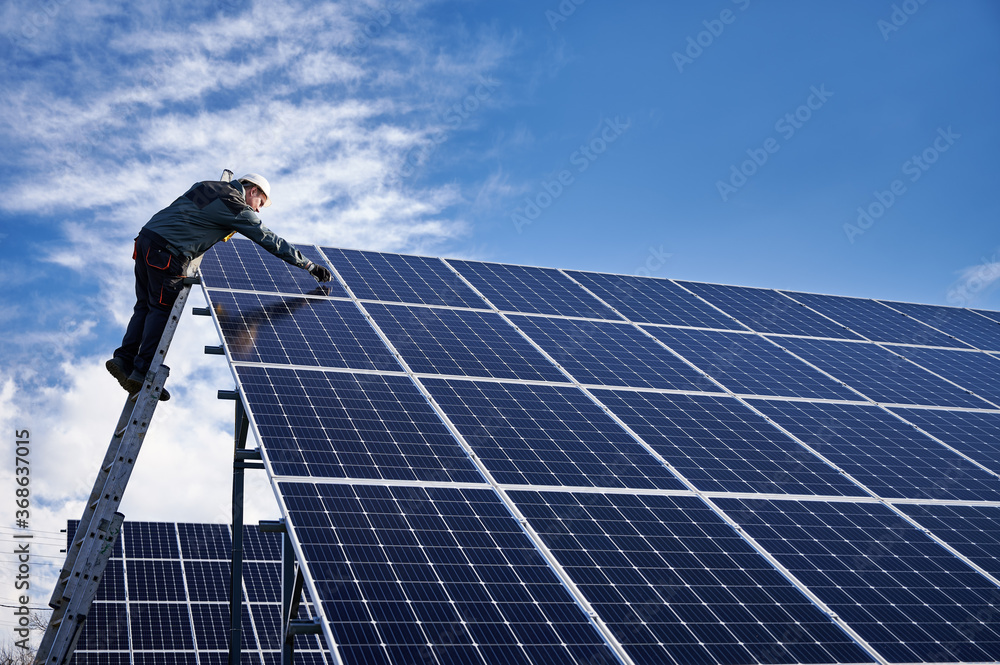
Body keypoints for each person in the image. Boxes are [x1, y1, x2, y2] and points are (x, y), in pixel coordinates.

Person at [105, 173, 332, 401]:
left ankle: (123, 359)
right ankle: (142, 373)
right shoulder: (234, 203)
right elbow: (268, 238)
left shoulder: (207, 186)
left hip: (146, 240)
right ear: (252, 191)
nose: (259, 210)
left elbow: (193, 216)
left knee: (144, 306)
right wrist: (308, 264)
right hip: (169, 252)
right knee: (161, 310)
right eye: (260, 203)